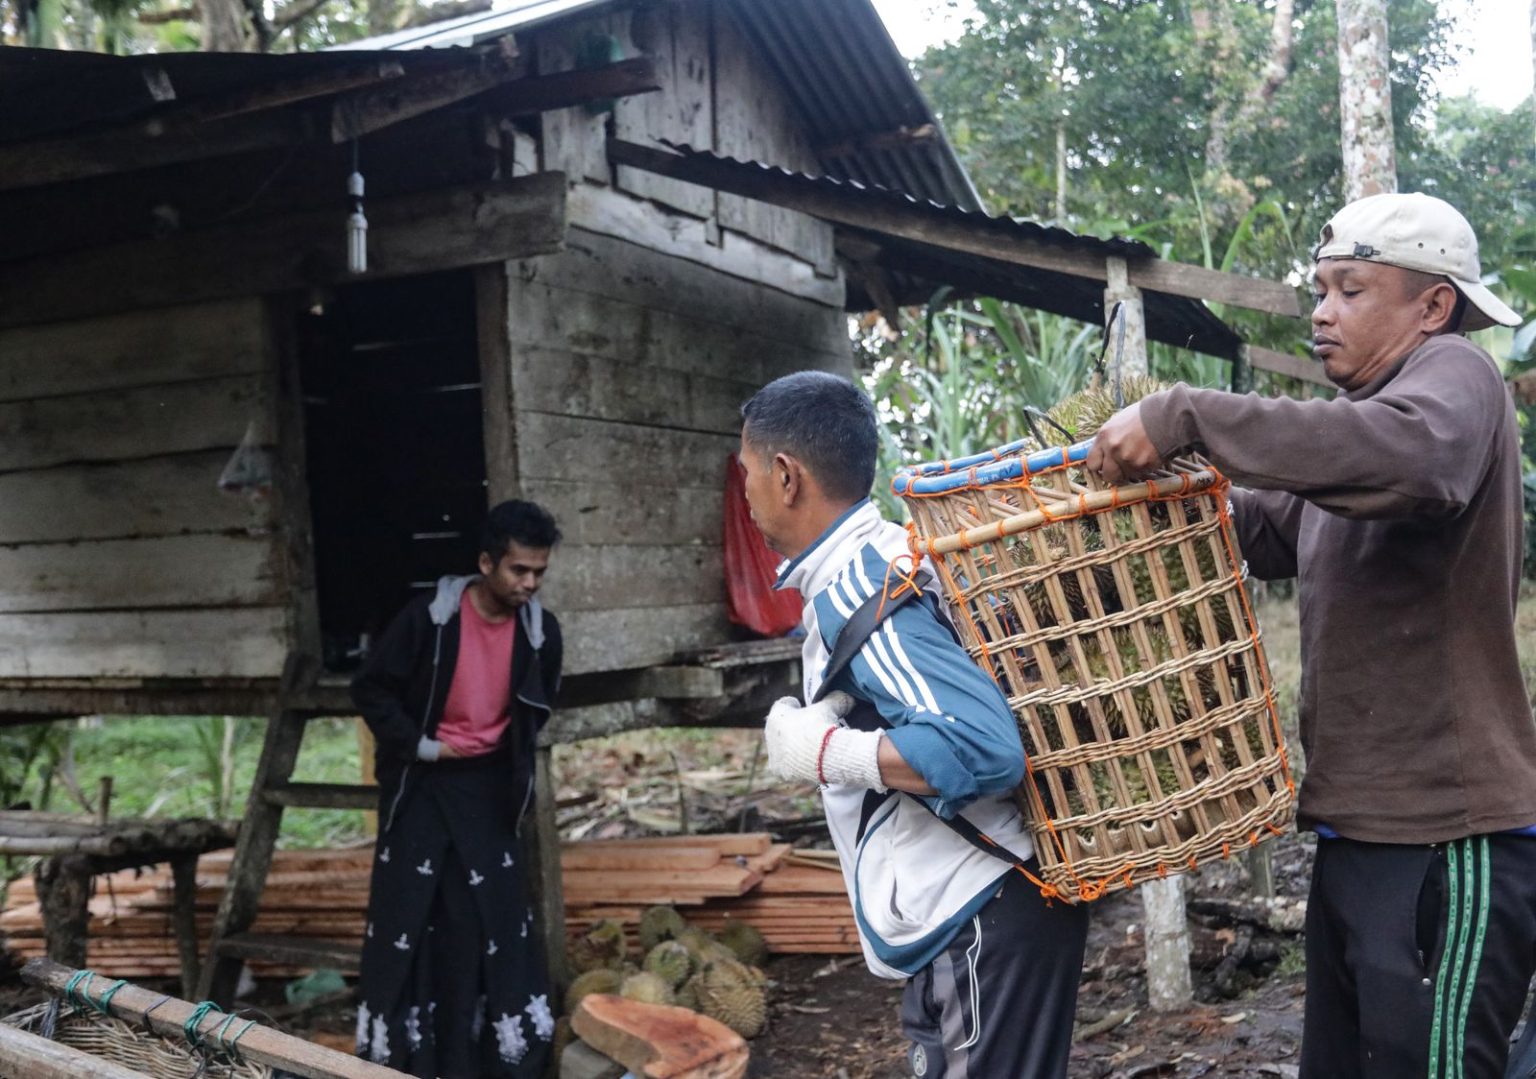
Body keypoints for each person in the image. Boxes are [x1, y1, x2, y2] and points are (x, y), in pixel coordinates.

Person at [1088, 192, 1536, 1078]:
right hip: (1354, 834)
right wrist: (1156, 496)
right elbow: (1261, 526)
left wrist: (1187, 415)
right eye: (1320, 289)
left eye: (1351, 289)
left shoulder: (1453, 379)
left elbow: (1416, 460)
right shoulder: (1363, 429)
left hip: (1446, 841)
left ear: (1432, 306)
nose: (1323, 312)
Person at [741, 371, 1090, 1079]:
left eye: (744, 469)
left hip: (984, 910)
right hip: (983, 906)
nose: (741, 488)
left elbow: (983, 746)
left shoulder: (864, 586)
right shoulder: (886, 558)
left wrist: (829, 752)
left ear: (785, 476)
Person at [351, 500, 564, 1079]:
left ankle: (493, 1063)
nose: (530, 583)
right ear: (486, 563)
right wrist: (422, 746)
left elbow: (538, 705)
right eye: (519, 570)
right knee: (412, 920)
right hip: (422, 783)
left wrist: (503, 754)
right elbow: (371, 690)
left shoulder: (541, 633)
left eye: (539, 572)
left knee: (487, 920)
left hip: (487, 789)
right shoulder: (429, 620)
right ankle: (406, 1064)